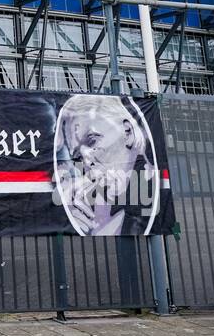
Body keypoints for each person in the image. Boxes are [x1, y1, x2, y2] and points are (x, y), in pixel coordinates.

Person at [53, 94, 157, 236]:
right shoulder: (100, 204)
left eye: (92, 141)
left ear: (128, 132)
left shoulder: (155, 192)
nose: (86, 161)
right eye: (77, 155)